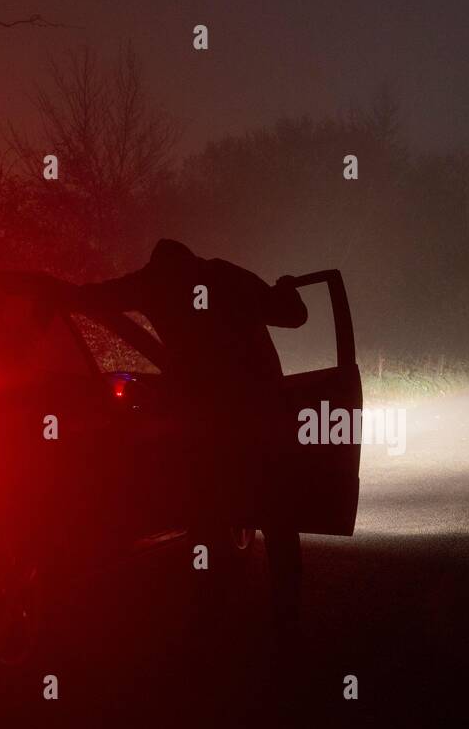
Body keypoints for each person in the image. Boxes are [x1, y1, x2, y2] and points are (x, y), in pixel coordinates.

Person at [73, 240, 307, 620]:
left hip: (204, 418)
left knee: (208, 512)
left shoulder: (151, 285)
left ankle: (209, 604)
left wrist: (55, 296)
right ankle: (286, 608)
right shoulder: (227, 275)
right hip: (259, 411)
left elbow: (94, 299)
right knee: (276, 510)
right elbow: (294, 314)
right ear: (193, 258)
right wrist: (286, 286)